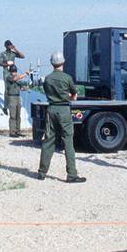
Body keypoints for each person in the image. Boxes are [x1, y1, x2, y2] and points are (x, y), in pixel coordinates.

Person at [36, 51, 85, 183]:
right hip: (64, 109)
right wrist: (68, 96)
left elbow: (47, 92)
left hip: (51, 109)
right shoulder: (67, 78)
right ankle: (71, 174)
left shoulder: (47, 78)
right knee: (68, 141)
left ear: (52, 63)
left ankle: (42, 172)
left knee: (48, 140)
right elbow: (74, 96)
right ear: (63, 62)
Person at [4, 61, 29, 137]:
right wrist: (25, 74)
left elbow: (20, 87)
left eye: (15, 71)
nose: (15, 73)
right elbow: (15, 79)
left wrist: (25, 88)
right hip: (12, 97)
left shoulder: (17, 79)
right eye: (13, 71)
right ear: (11, 71)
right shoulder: (9, 77)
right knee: (13, 115)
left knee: (18, 115)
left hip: (18, 97)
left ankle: (18, 131)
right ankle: (12, 132)